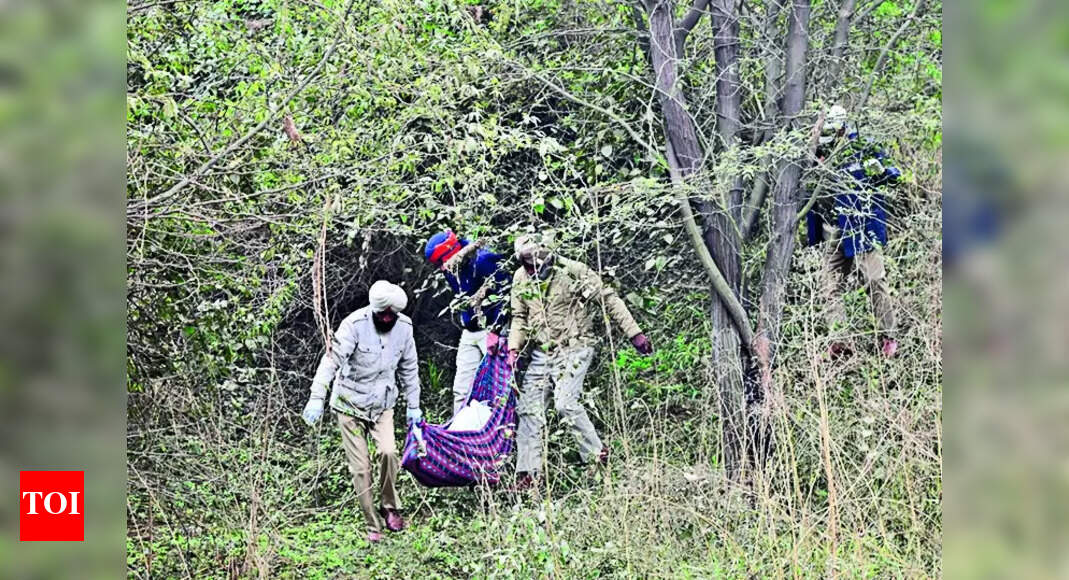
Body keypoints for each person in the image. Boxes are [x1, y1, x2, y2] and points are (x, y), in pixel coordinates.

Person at [508, 234, 652, 490]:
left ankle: (596, 456)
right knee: (528, 408)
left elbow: (608, 299)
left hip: (575, 347)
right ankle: (529, 474)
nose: (533, 268)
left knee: (565, 403)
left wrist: (635, 333)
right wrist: (513, 349)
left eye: (537, 262)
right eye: (528, 264)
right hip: (543, 351)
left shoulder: (572, 271)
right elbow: (519, 316)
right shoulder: (520, 278)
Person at [301, 280, 422, 543]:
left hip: (383, 404)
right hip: (350, 404)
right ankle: (372, 524)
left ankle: (389, 507)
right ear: (374, 309)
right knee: (361, 467)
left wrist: (414, 405)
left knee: (389, 452)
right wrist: (317, 396)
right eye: (383, 314)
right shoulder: (353, 325)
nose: (387, 318)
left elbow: (409, 368)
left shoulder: (404, 328)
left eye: (392, 314)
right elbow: (331, 361)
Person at [806, 105, 902, 358]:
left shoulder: (863, 146)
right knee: (829, 288)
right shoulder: (816, 152)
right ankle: (841, 343)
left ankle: (889, 338)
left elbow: (893, 175)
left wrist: (881, 171)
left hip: (862, 229)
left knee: (874, 280)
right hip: (834, 232)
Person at [424, 230, 512, 414]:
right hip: (469, 331)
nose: (442, 268)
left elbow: (506, 294)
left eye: (442, 261)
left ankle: (504, 435)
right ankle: (460, 433)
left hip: (493, 330)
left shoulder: (484, 259)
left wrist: (496, 330)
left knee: (501, 390)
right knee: (461, 390)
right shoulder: (449, 269)